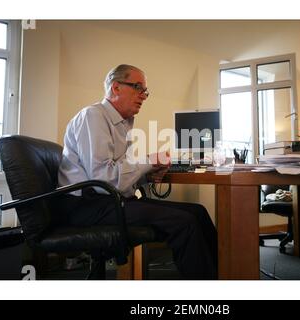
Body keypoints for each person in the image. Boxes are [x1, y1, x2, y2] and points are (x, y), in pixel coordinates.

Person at [56, 64, 217, 279]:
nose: (143, 96)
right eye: (137, 87)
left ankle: (223, 274)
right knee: (185, 223)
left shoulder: (123, 124)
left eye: (145, 91)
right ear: (116, 88)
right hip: (87, 205)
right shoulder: (93, 116)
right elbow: (103, 178)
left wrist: (147, 174)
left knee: (197, 212)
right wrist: (148, 161)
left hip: (108, 199)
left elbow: (119, 177)